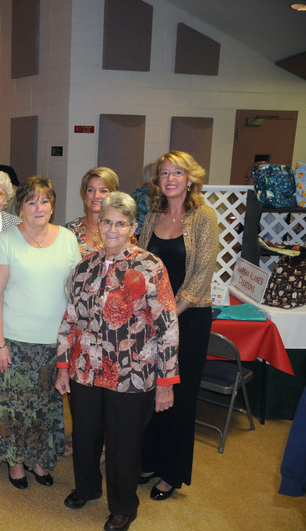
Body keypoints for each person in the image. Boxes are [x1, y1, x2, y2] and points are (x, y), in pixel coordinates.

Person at [55, 192, 179, 531]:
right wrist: (63, 366)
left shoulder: (150, 266)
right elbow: (70, 319)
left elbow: (167, 326)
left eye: (120, 223)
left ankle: (124, 505)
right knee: (85, 435)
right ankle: (87, 488)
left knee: (124, 444)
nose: (112, 229)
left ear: (133, 227)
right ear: (99, 224)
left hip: (132, 374)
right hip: (86, 371)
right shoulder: (84, 266)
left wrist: (166, 382)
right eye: (107, 222)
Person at [0, 176, 81, 489]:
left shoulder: (67, 239)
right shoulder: (6, 241)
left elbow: (75, 291)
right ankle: (15, 464)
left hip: (55, 342)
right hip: (14, 341)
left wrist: (74, 340)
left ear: (52, 205)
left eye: (44, 201)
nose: (39, 208)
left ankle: (40, 461)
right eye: (31, 201)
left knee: (47, 405)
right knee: (13, 405)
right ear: (21, 207)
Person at [138, 151, 219, 501]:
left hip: (189, 319)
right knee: (150, 392)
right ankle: (150, 459)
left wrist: (169, 316)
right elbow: (139, 264)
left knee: (179, 397)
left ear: (191, 178)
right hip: (153, 321)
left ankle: (171, 473)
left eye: (178, 172)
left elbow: (202, 273)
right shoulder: (152, 216)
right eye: (164, 173)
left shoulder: (204, 217)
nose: (170, 178)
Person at [65, 167, 121, 257]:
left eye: (103, 191)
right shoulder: (69, 230)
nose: (96, 196)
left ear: (113, 195)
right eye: (91, 190)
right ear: (85, 194)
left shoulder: (122, 231)